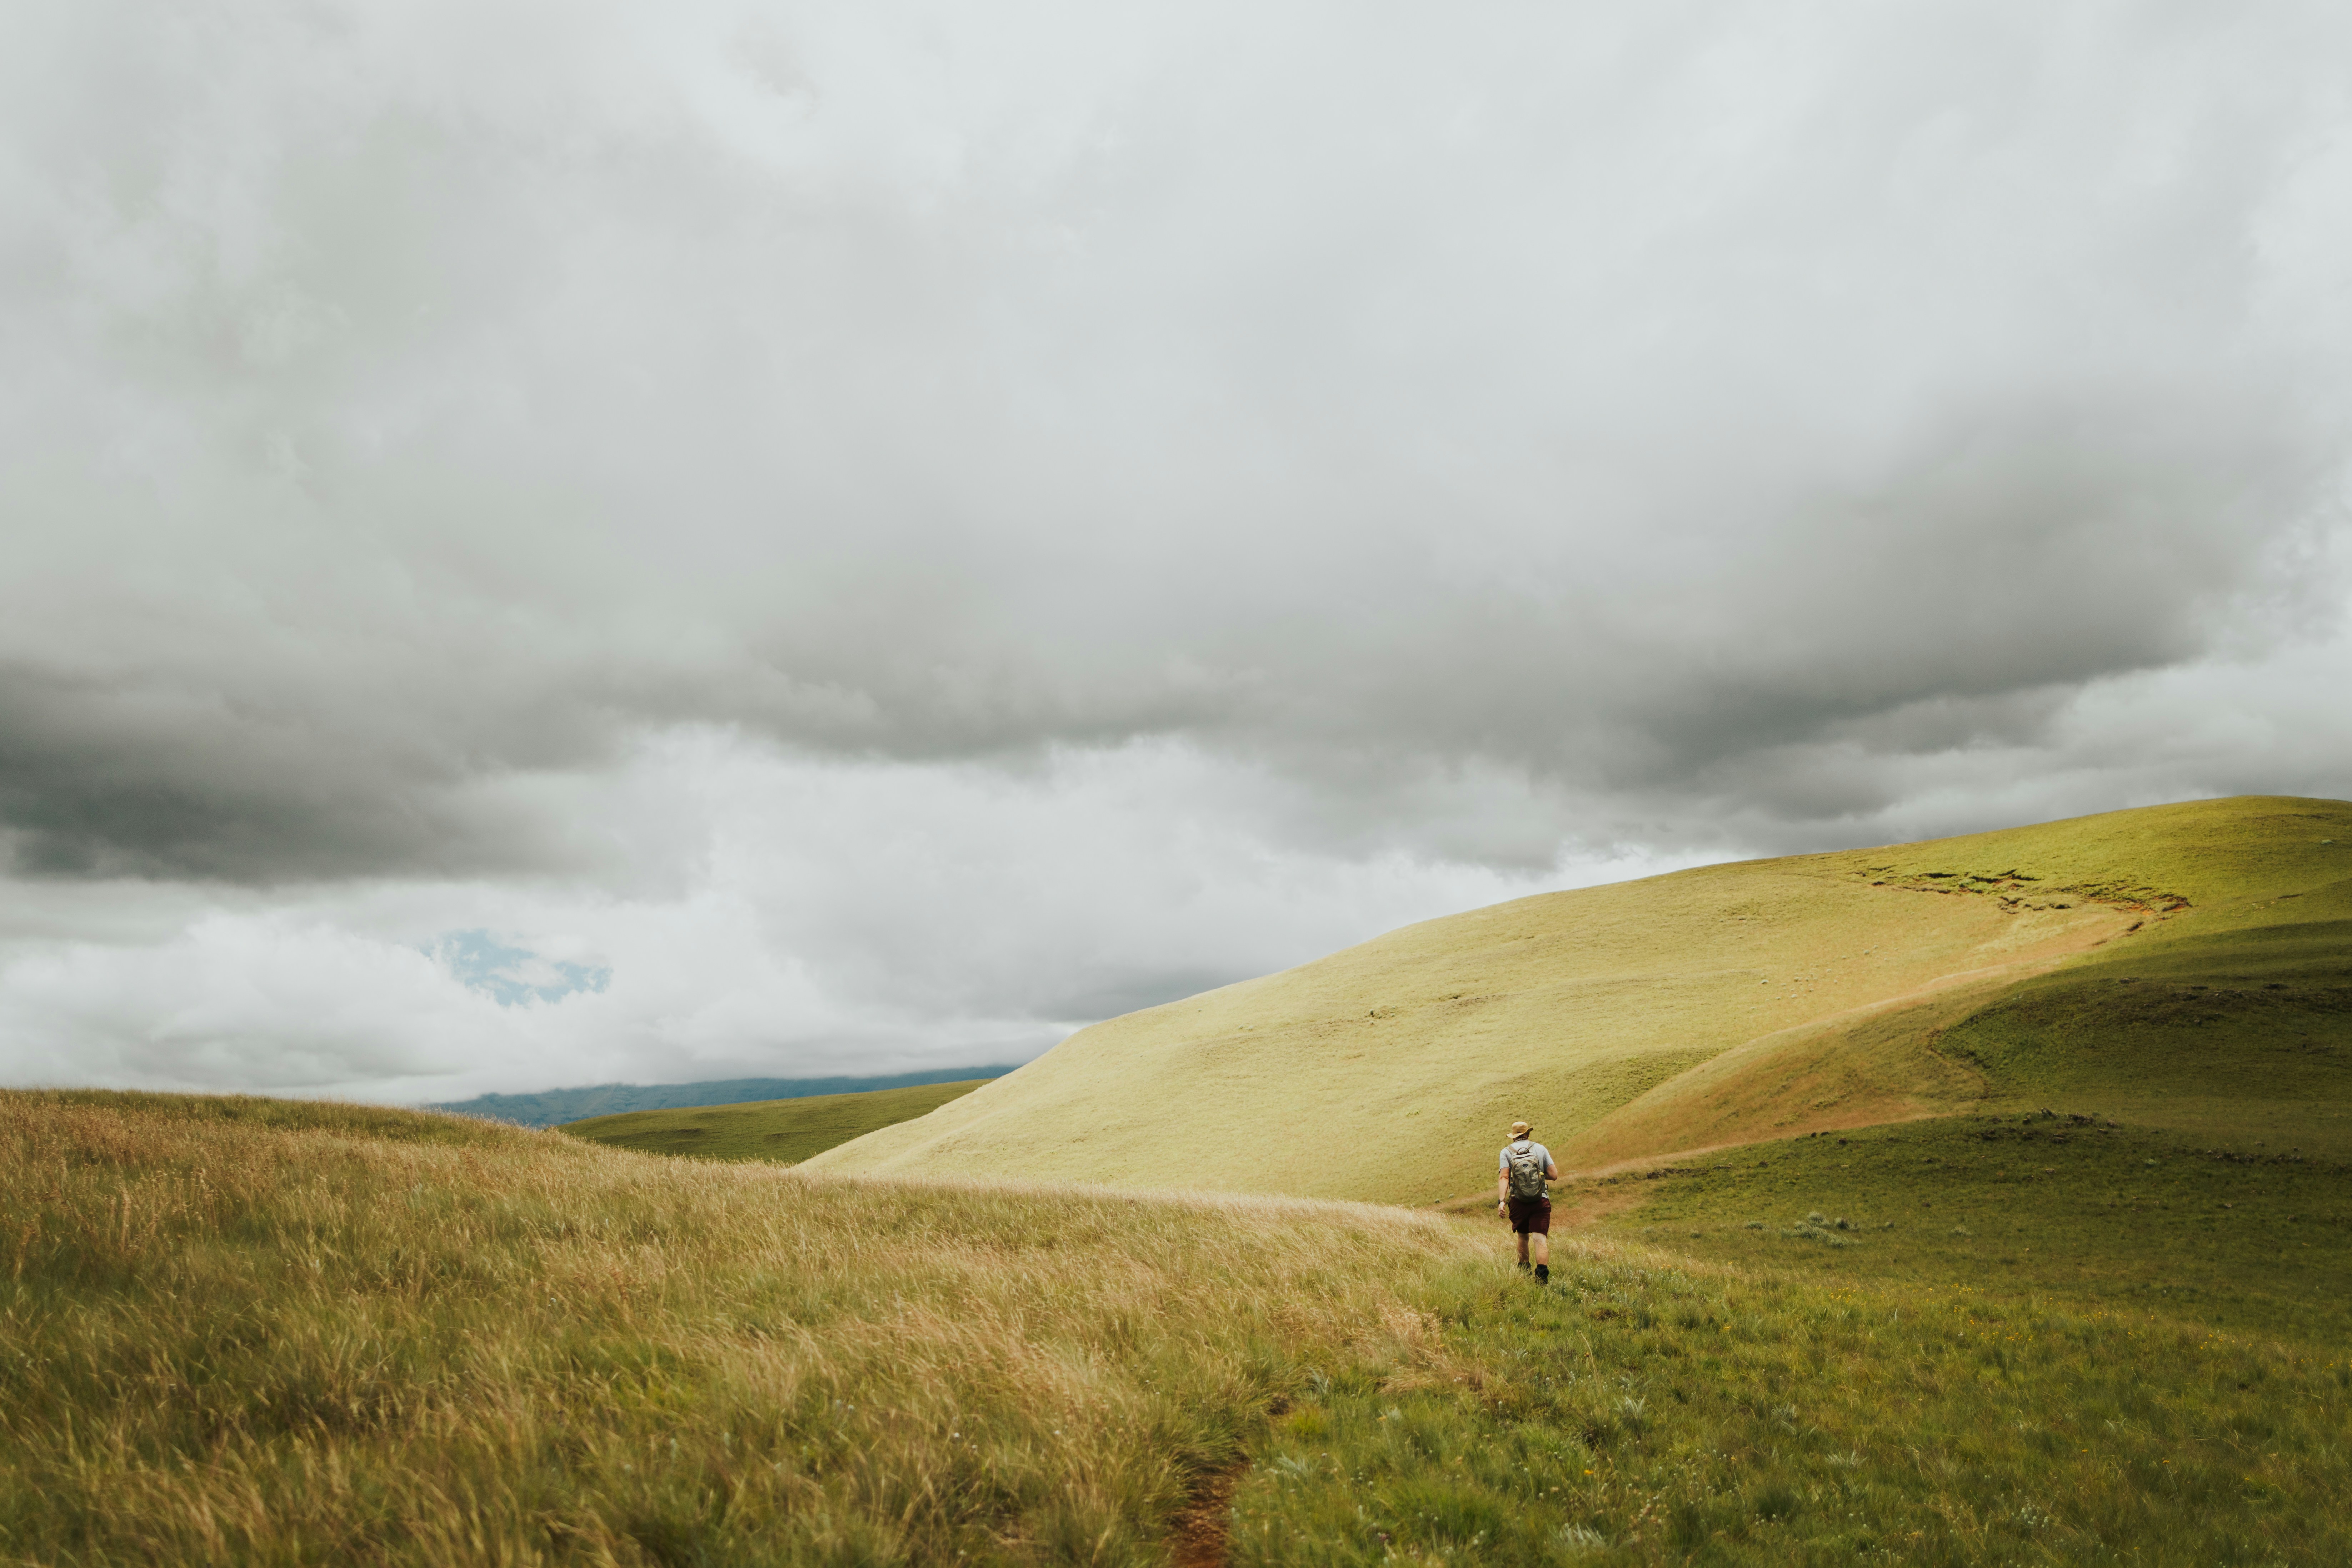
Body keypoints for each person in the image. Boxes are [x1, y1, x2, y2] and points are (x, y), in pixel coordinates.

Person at [1497, 1119, 1560, 1284]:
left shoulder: (1506, 1152)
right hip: (1541, 1200)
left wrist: (1502, 1201)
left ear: (1514, 1137)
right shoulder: (1540, 1149)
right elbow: (1554, 1175)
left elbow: (1504, 1177)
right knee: (1540, 1240)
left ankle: (1524, 1274)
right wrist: (1538, 1176)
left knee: (1523, 1238)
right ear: (1528, 1134)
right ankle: (1541, 1280)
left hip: (1519, 1202)